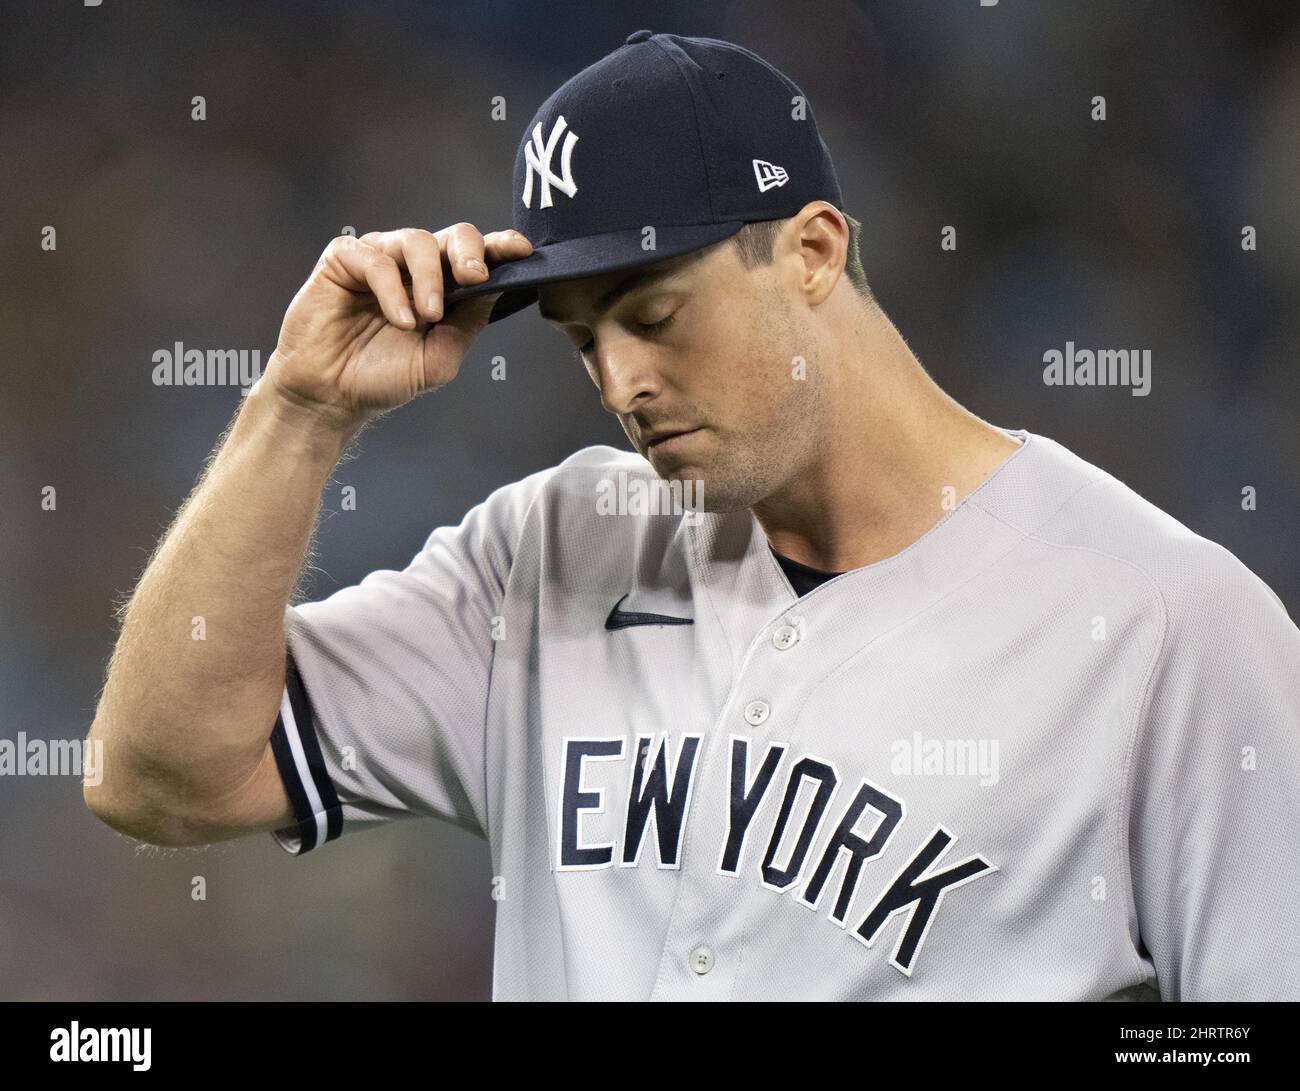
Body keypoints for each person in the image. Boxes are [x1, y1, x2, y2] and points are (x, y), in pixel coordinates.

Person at [86, 31, 1300, 1000]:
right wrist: (299, 410)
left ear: (814, 250)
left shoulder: (1165, 624)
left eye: (654, 316)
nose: (621, 383)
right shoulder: (549, 552)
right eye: (582, 340)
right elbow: (159, 776)